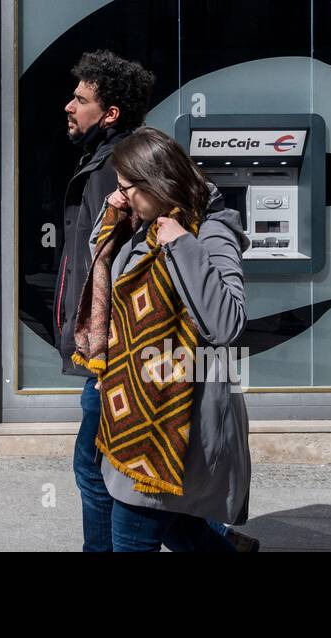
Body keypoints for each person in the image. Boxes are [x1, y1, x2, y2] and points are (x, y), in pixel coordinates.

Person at [73, 126, 254, 552]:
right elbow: (112, 290)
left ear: (155, 182)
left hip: (172, 419)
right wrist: (114, 216)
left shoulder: (209, 232)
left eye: (126, 188)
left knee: (133, 535)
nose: (121, 197)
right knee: (179, 530)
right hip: (131, 406)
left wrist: (182, 246)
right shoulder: (145, 224)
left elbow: (228, 322)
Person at [52, 50, 156, 550]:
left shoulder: (118, 170)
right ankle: (216, 538)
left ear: (109, 113)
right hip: (108, 344)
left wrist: (104, 342)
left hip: (113, 348)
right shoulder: (105, 161)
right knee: (115, 468)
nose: (69, 106)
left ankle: (213, 539)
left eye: (80, 99)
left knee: (94, 469)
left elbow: (122, 263)